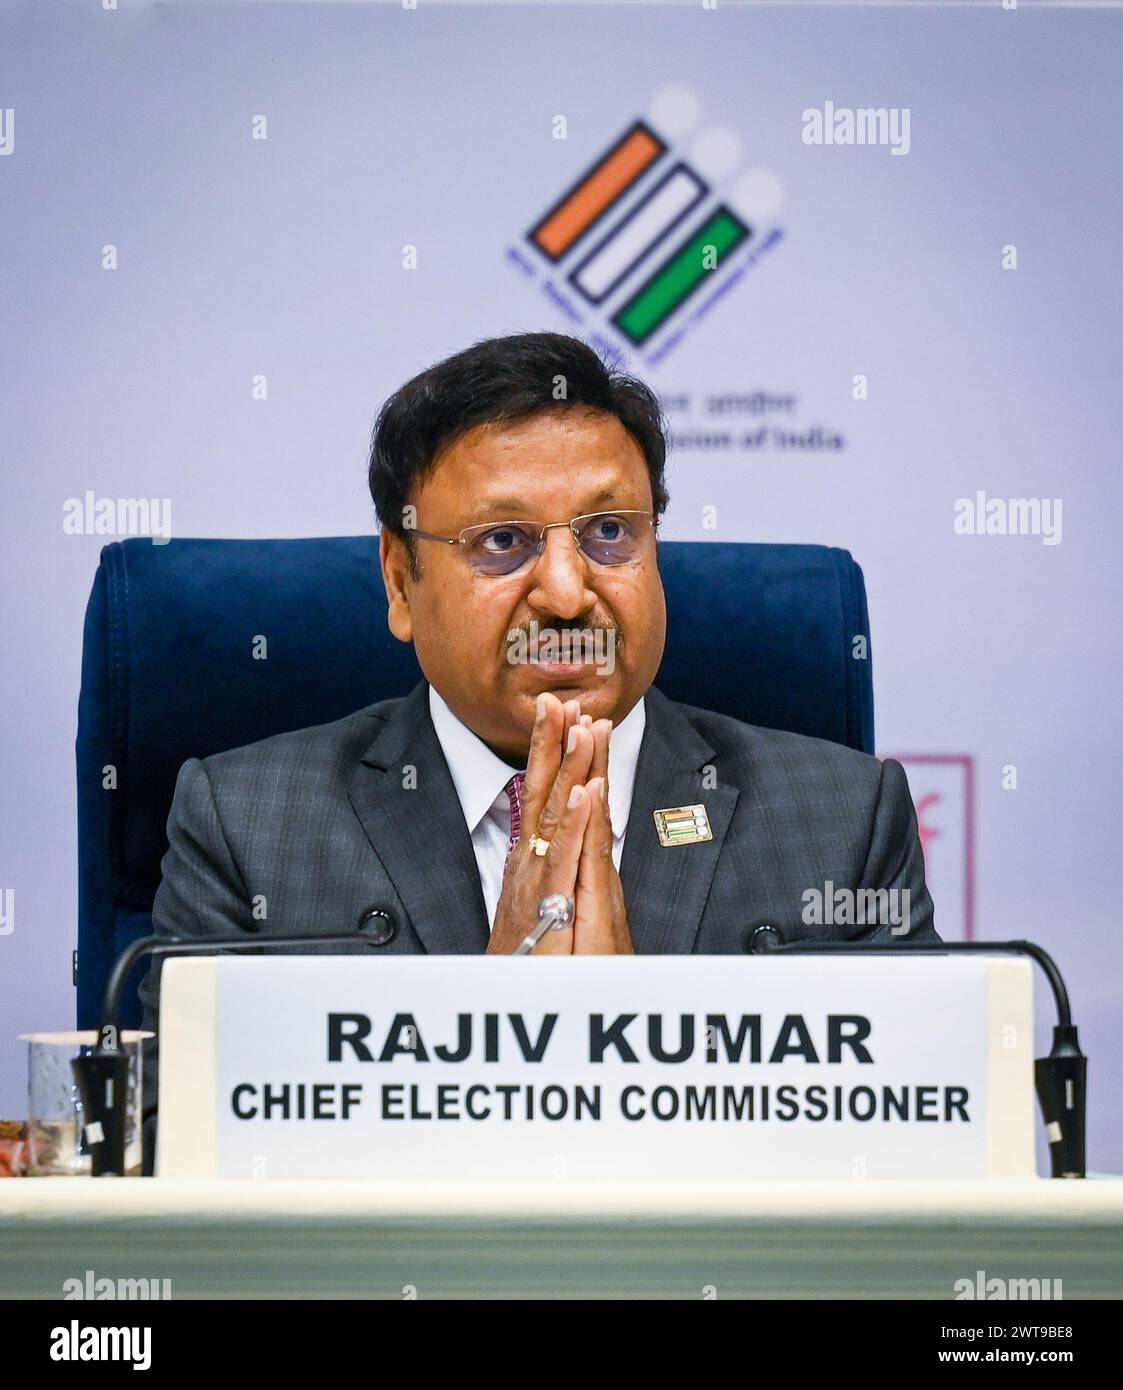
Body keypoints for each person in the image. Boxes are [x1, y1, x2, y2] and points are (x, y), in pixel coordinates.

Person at [138, 331, 937, 1168]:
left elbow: (921, 1153)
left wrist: (638, 1054)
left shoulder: (841, 822)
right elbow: (175, 1157)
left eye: (607, 533)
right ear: (399, 580)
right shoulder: (249, 827)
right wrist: (492, 1032)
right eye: (501, 542)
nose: (564, 592)